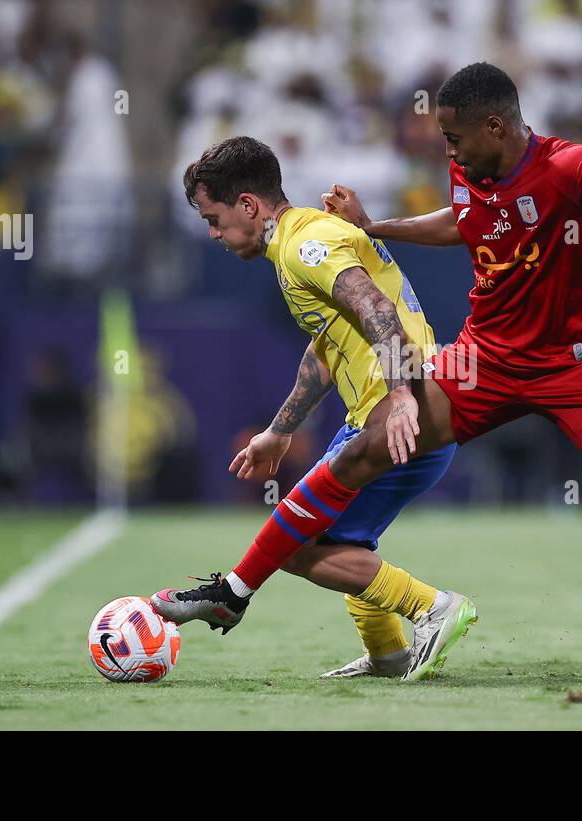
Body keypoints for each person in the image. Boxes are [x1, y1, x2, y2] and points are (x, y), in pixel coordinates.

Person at [159, 63, 582, 682]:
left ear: (495, 126)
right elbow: (465, 221)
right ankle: (239, 591)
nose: (447, 149)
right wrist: (375, 227)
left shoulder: (563, 165)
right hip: (485, 358)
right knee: (360, 453)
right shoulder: (470, 169)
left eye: (453, 138)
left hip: (575, 363)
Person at [153, 137, 475, 681]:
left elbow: (374, 307)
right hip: (384, 410)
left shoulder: (307, 245)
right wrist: (281, 430)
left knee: (300, 547)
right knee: (341, 541)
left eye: (215, 217)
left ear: (249, 205)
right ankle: (389, 653)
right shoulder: (297, 245)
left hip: (395, 412)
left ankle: (434, 608)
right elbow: (328, 347)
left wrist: (399, 395)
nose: (213, 233)